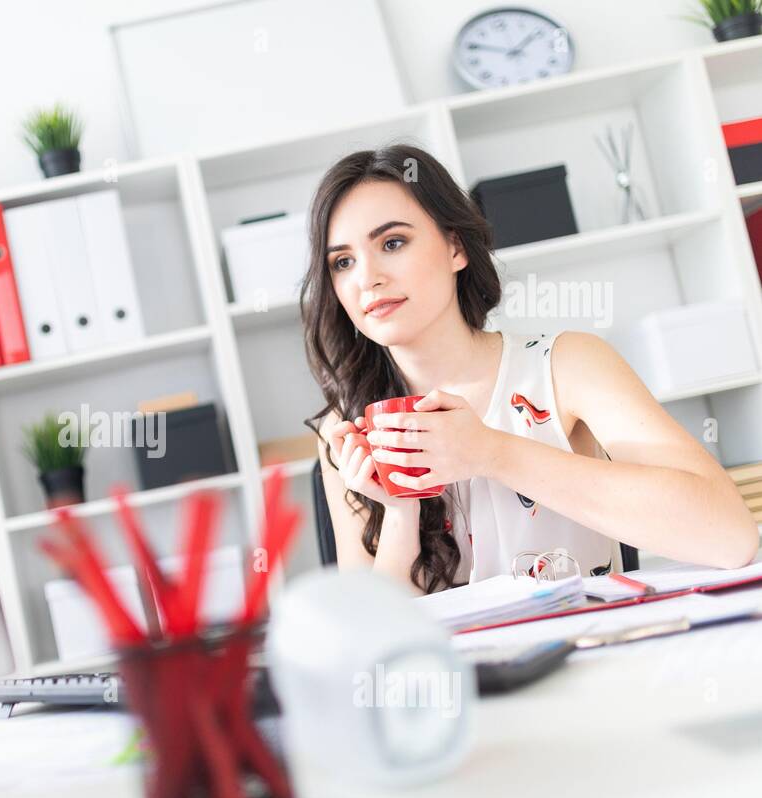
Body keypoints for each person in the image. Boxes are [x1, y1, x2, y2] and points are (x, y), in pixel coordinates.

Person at [303, 144, 758, 595]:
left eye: (393, 243)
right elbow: (367, 639)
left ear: (455, 247)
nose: (367, 278)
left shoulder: (568, 364)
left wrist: (490, 451)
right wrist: (400, 512)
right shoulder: (342, 432)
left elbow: (730, 538)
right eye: (343, 262)